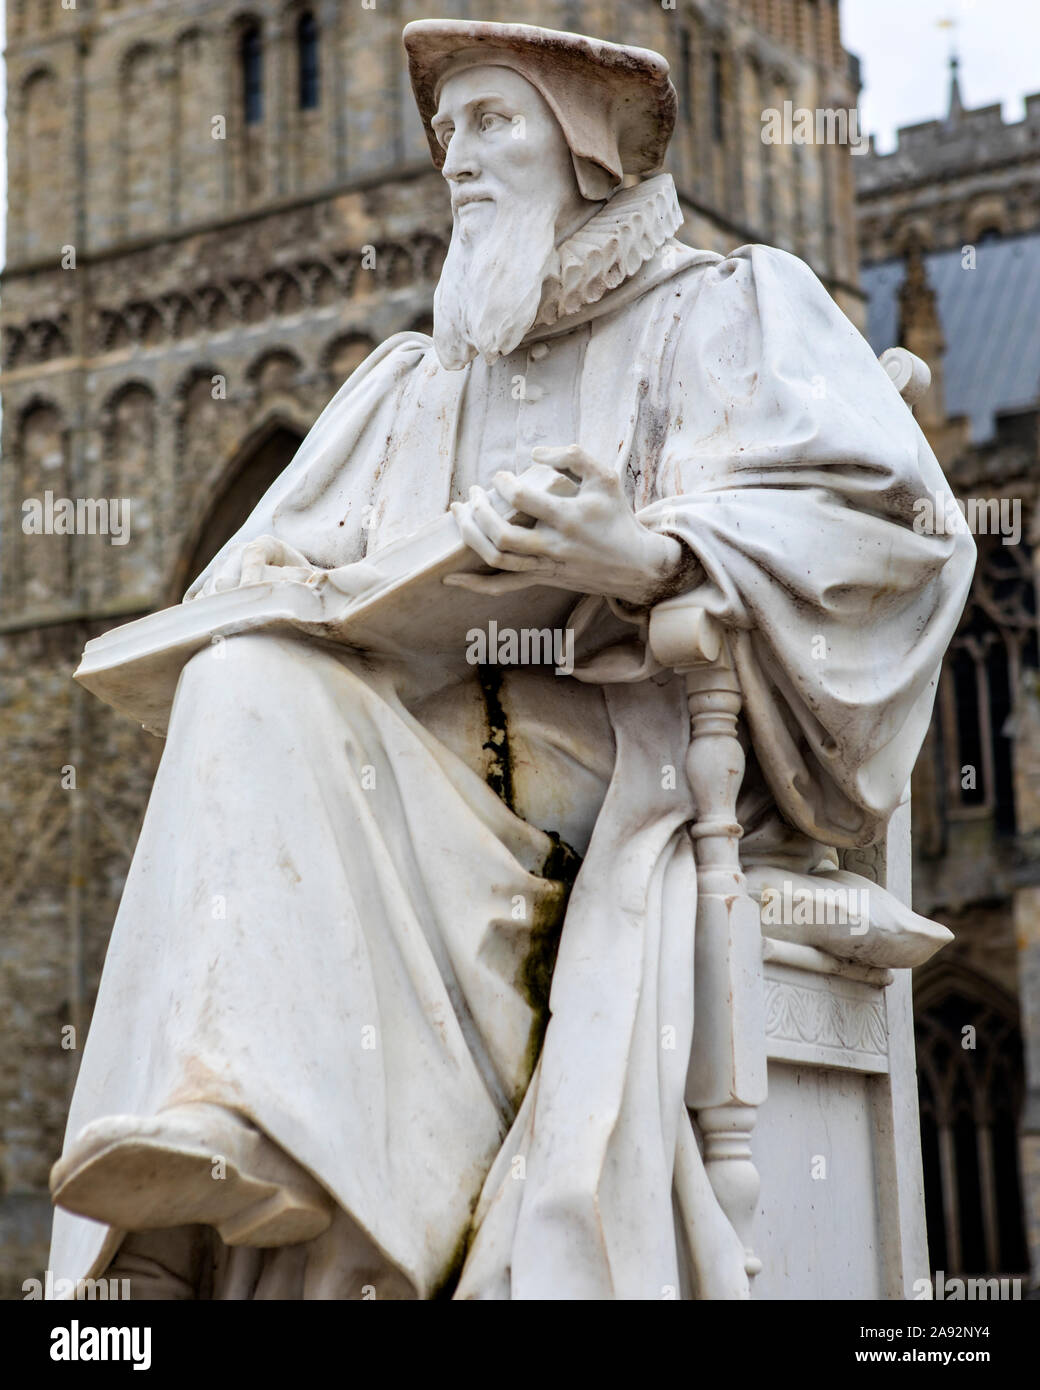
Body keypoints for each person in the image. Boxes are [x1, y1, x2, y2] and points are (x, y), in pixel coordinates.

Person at [48, 19, 974, 1300]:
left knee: (297, 722)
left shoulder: (727, 311)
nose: (456, 161)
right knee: (242, 675)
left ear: (584, 147)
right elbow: (262, 571)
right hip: (435, 754)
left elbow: (900, 533)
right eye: (446, 135)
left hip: (630, 768)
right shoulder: (417, 381)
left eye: (491, 123)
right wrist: (336, 596)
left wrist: (646, 554)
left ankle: (241, 1203)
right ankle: (205, 1164)